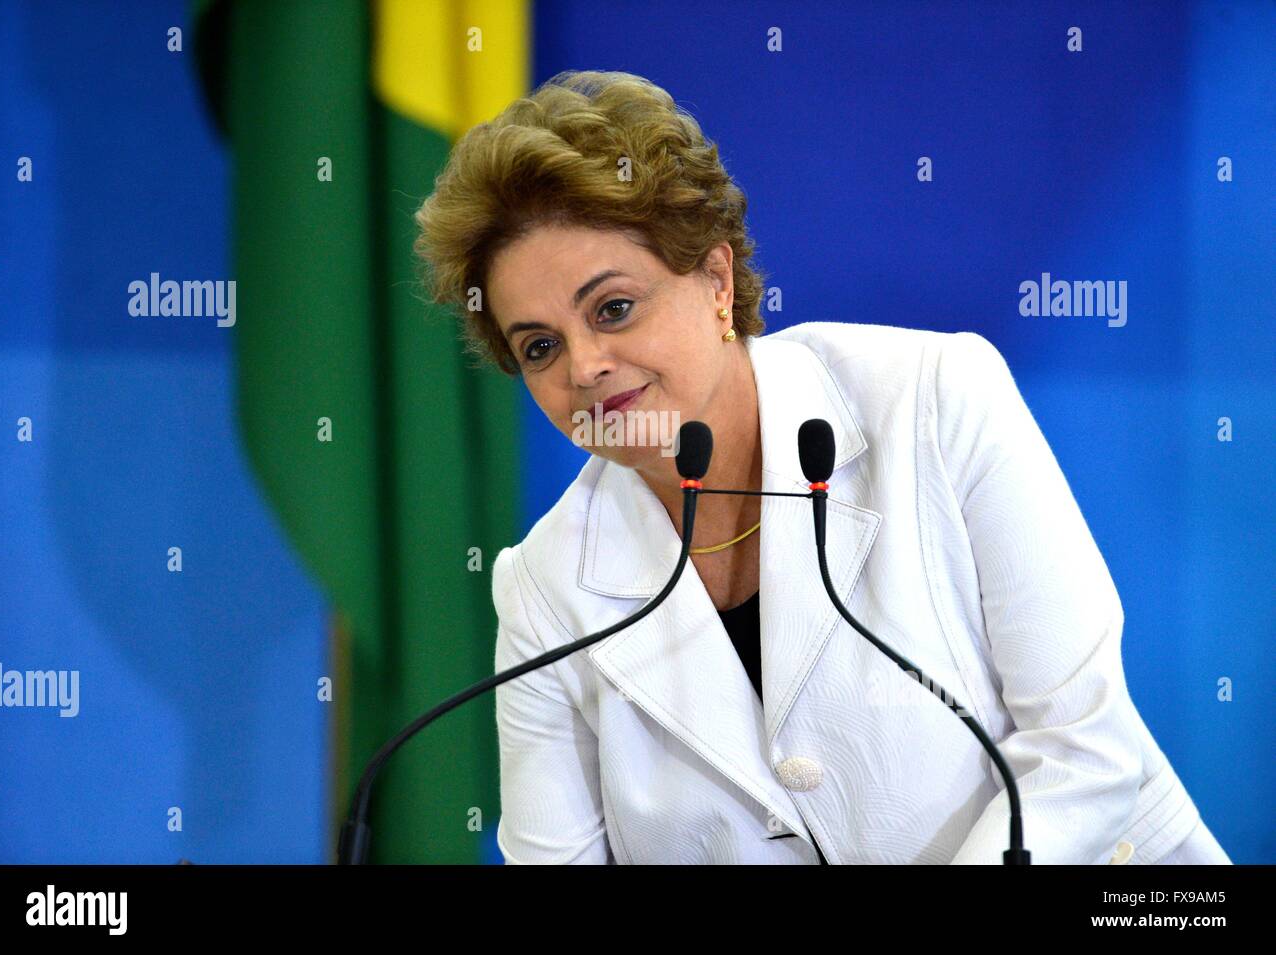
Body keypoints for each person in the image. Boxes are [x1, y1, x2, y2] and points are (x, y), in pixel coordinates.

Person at [412, 69, 1231, 865]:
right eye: (540, 346)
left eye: (614, 307)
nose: (584, 366)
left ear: (715, 279)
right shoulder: (546, 589)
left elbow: (1085, 749)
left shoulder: (934, 399)